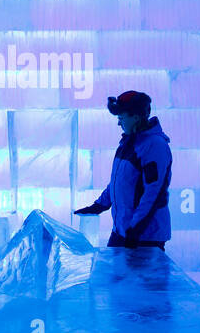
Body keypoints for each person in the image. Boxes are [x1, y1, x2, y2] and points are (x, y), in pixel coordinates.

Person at [74, 90, 172, 249]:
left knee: (131, 274)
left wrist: (135, 229)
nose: (119, 123)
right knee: (112, 273)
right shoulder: (129, 142)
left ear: (136, 117)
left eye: (121, 118)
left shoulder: (154, 146)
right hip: (123, 232)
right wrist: (99, 205)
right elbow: (119, 182)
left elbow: (153, 192)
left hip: (144, 237)